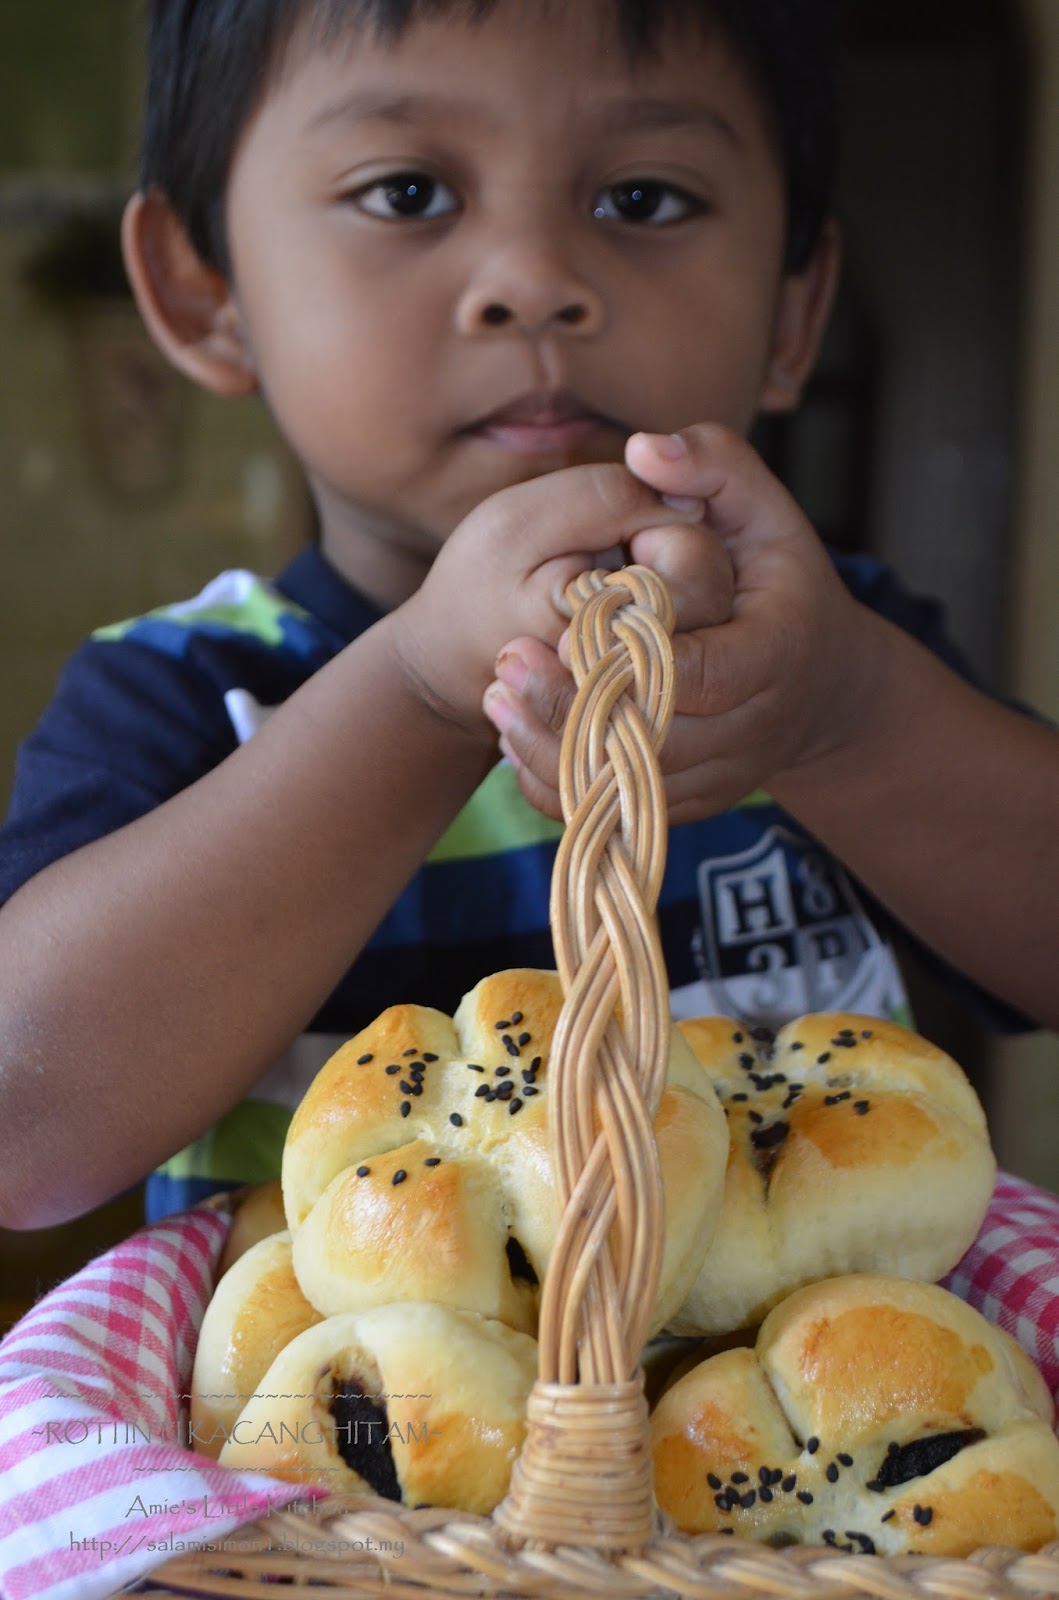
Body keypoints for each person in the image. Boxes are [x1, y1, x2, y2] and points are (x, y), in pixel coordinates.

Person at [0, 0, 1055, 1232]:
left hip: (810, 1397)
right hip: (337, 1419)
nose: (537, 282)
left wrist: (843, 720)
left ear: (791, 311)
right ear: (204, 291)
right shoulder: (187, 688)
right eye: (407, 193)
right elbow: (27, 1132)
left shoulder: (833, 654)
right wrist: (414, 695)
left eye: (642, 199)